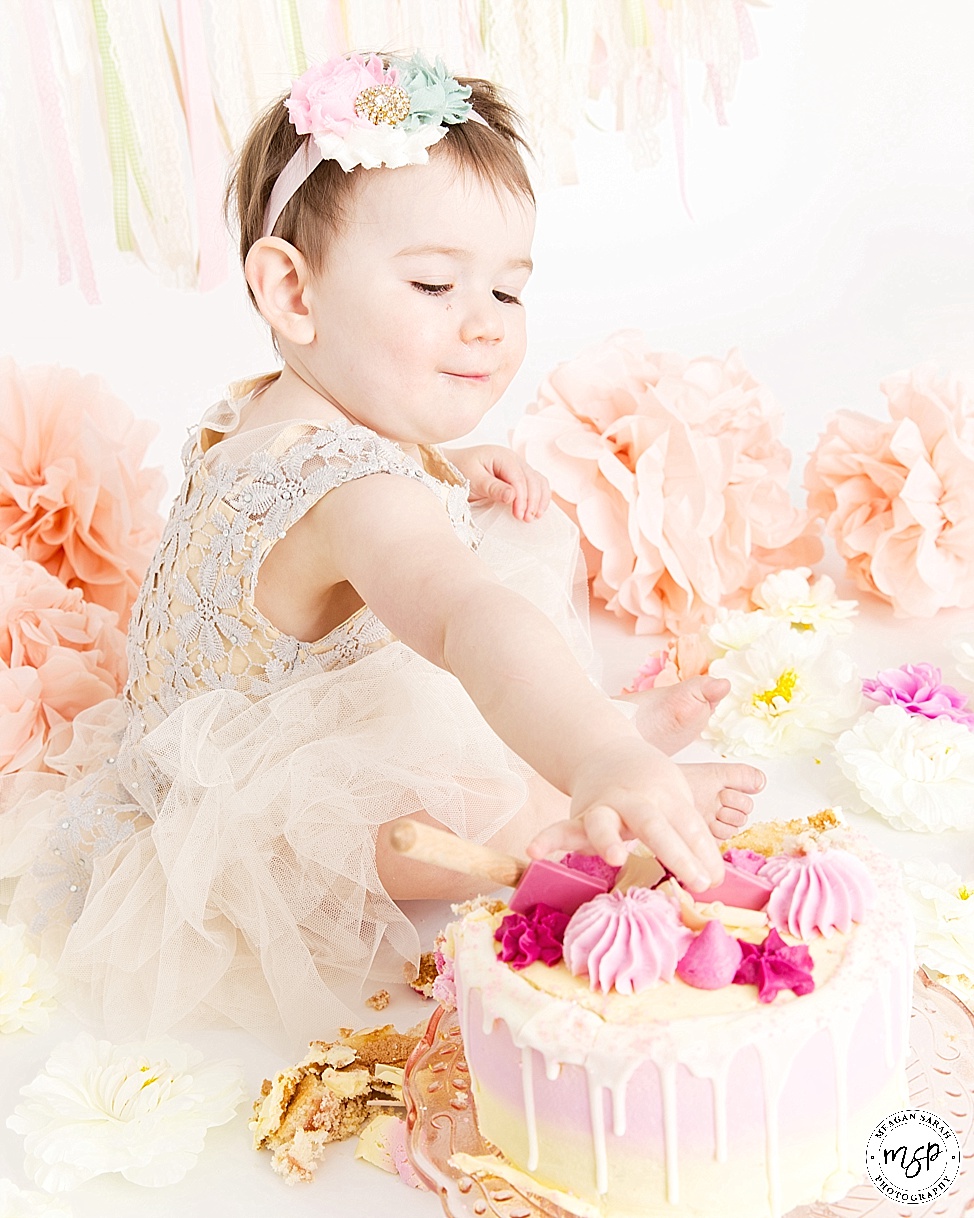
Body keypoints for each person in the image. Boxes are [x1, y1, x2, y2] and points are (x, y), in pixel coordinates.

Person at [0, 51, 763, 1051]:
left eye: (508, 292)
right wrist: (601, 752)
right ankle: (582, 793)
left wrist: (448, 464)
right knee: (414, 812)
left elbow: (354, 497)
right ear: (293, 292)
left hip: (197, 724)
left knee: (507, 531)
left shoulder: (264, 418)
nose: (484, 326)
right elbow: (463, 612)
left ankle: (585, 745)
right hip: (269, 807)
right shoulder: (359, 494)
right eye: (437, 282)